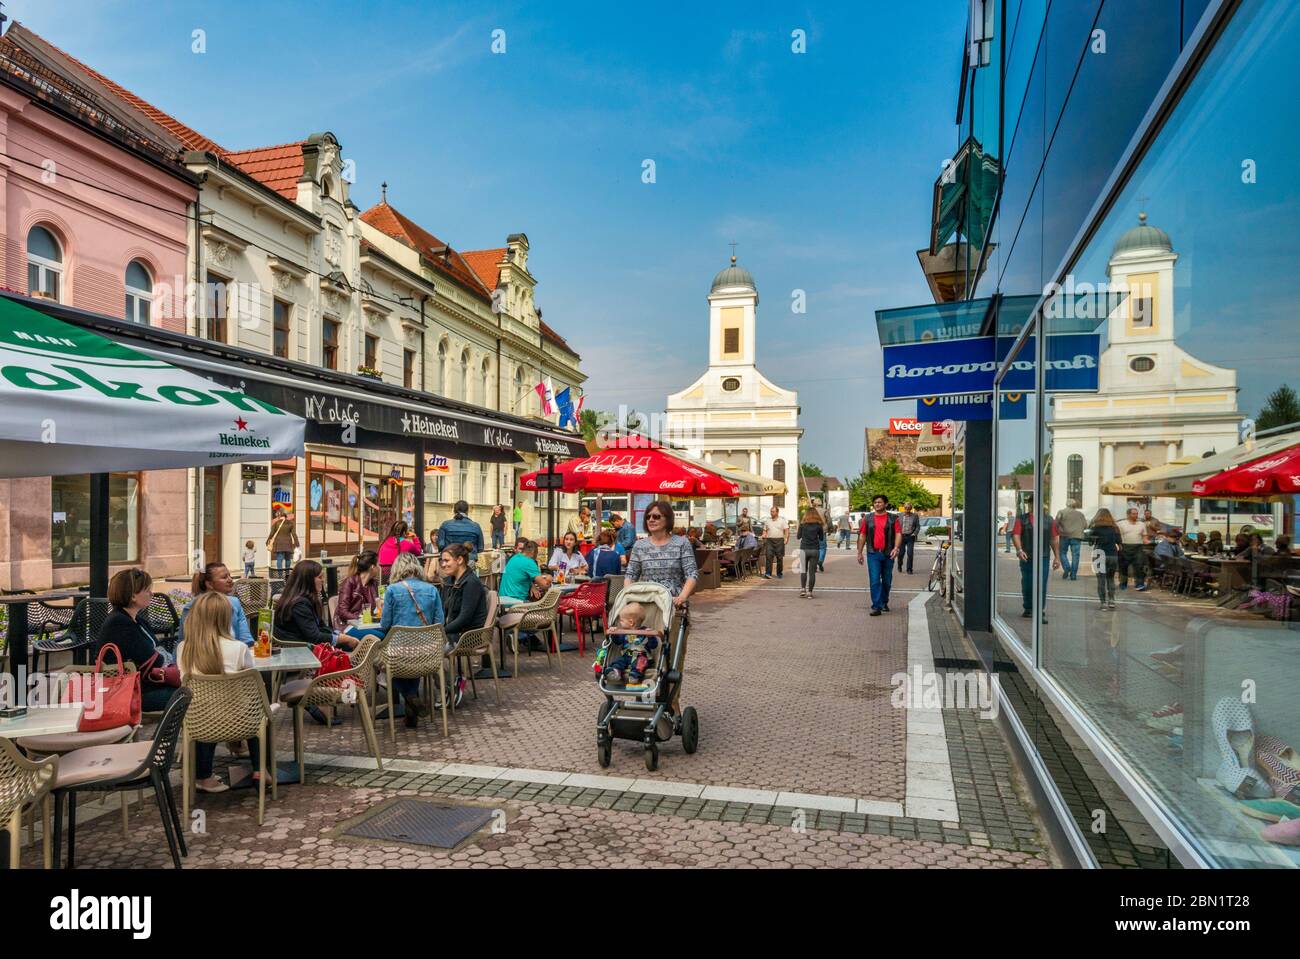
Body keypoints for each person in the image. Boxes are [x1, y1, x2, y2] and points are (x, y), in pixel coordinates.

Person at [176, 591, 259, 793]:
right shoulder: (239, 648)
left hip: (197, 721)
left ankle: (202, 775)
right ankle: (261, 770)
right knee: (260, 711)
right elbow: (252, 685)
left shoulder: (183, 649)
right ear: (225, 618)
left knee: (207, 707)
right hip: (236, 722)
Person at [624, 500, 698, 710]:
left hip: (673, 607)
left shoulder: (681, 543)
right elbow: (631, 574)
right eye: (649, 517)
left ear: (667, 519)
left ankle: (672, 702)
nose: (651, 520)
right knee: (644, 651)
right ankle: (642, 695)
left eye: (656, 516)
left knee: (672, 656)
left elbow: (692, 574)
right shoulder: (640, 545)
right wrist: (629, 595)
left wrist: (682, 596)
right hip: (647, 607)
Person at [377, 553, 446, 727]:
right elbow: (440, 622)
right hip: (428, 653)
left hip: (399, 654)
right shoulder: (432, 590)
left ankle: (410, 697)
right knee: (413, 658)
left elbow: (385, 625)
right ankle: (411, 710)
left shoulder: (392, 590)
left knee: (382, 660)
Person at [98, 568, 175, 713]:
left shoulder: (135, 620)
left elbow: (156, 654)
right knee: (190, 694)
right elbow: (154, 660)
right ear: (133, 596)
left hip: (140, 687)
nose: (151, 594)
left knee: (193, 688)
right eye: (147, 590)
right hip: (130, 693)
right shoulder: (120, 623)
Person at [438, 543, 488, 705]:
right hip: (454, 633)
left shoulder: (471, 583)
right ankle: (447, 685)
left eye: (446, 560)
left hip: (467, 636)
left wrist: (441, 631)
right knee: (421, 650)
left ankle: (448, 686)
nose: (443, 564)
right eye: (442, 561)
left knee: (427, 654)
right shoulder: (449, 581)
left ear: (460, 560)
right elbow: (442, 611)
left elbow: (465, 618)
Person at [177, 562, 255, 648]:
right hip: (222, 657)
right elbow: (246, 641)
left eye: (230, 576)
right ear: (209, 584)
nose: (230, 580)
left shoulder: (234, 603)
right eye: (224, 577)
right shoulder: (192, 607)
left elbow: (182, 642)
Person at [1012, 493, 1061, 623]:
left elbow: (1054, 539)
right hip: (1027, 556)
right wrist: (1019, 550)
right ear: (1029, 504)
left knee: (1041, 584)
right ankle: (1028, 607)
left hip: (1043, 557)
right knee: (1028, 583)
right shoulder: (1021, 519)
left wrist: (1057, 557)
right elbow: (1016, 535)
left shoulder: (1049, 520)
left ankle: (1040, 611)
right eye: (1032, 502)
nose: (1034, 505)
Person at [273, 560, 338, 650]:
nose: (323, 580)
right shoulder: (299, 604)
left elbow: (321, 626)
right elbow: (315, 637)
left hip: (304, 648)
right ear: (308, 580)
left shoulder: (305, 599)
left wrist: (337, 635)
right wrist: (340, 639)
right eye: (320, 577)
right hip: (298, 652)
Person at [856, 494, 900, 616]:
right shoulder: (868, 518)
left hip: (888, 553)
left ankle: (884, 601)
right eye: (875, 502)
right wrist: (859, 552)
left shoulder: (893, 518)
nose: (877, 504)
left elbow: (898, 533)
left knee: (886, 581)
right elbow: (862, 535)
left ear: (886, 504)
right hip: (873, 553)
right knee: (874, 580)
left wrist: (896, 548)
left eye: (880, 502)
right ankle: (876, 606)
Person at [602, 602, 656, 686]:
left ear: (631, 622)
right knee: (618, 661)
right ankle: (615, 672)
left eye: (621, 620)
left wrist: (650, 636)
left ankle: (634, 675)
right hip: (627, 655)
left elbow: (653, 646)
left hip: (641, 655)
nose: (620, 623)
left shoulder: (645, 631)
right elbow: (617, 642)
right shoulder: (623, 632)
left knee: (640, 663)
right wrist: (614, 634)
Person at [335, 550, 380, 629]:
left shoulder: (373, 584)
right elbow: (342, 612)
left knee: (387, 633)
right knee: (380, 636)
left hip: (366, 624)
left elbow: (375, 609)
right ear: (372, 567)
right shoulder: (350, 582)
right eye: (378, 565)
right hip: (348, 625)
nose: (379, 567)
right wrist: (360, 618)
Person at [1090, 508, 1122, 610]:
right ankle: (1111, 601)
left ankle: (1103, 603)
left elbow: (1090, 542)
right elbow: (1120, 544)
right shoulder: (1115, 528)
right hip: (1112, 554)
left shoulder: (1095, 528)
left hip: (1099, 553)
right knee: (1110, 578)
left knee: (1101, 580)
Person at [1116, 507, 1150, 591]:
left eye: (1137, 514)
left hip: (1138, 547)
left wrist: (1146, 540)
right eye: (1134, 514)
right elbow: (1117, 535)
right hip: (1125, 546)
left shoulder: (1142, 524)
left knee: (1139, 566)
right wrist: (1117, 545)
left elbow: (1145, 535)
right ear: (1128, 515)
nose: (1136, 515)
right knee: (1123, 566)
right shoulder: (1121, 524)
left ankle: (1139, 584)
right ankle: (1123, 584)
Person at [796, 508, 826, 599]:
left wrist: (800, 529)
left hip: (804, 549)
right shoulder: (818, 525)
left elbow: (798, 537)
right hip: (814, 550)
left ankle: (803, 590)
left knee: (803, 571)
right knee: (812, 572)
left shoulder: (803, 525)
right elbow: (821, 538)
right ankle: (810, 592)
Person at [1055, 499, 1087, 581]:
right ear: (1075, 505)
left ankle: (1067, 567)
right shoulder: (1080, 514)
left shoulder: (1061, 512)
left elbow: (1055, 523)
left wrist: (1059, 530)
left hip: (1064, 535)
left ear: (1066, 504)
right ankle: (1073, 575)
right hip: (1077, 536)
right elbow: (1085, 525)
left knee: (1062, 553)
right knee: (1075, 555)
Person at [760, 506, 789, 579]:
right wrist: (763, 534)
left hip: (779, 540)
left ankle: (779, 573)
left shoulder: (782, 520)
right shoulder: (767, 521)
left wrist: (786, 539)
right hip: (769, 540)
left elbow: (786, 530)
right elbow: (765, 530)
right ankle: (768, 573)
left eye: (773, 511)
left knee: (779, 558)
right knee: (769, 557)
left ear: (777, 512)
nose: (771, 513)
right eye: (771, 511)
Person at [266, 511, 298, 576]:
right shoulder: (290, 523)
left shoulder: (276, 523)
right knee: (288, 559)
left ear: (279, 517)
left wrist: (268, 540)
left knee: (279, 559)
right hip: (288, 543)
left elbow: (272, 533)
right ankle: (287, 574)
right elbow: (294, 534)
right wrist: (297, 543)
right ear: (286, 517)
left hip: (279, 543)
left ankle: (280, 575)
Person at [896, 502, 920, 575]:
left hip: (910, 537)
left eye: (909, 508)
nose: (907, 509)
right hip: (901, 537)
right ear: (904, 508)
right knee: (901, 554)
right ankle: (899, 565)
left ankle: (909, 569)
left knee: (910, 553)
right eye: (906, 508)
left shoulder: (915, 516)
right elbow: (896, 526)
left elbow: (917, 526)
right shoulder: (899, 515)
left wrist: (914, 533)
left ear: (911, 508)